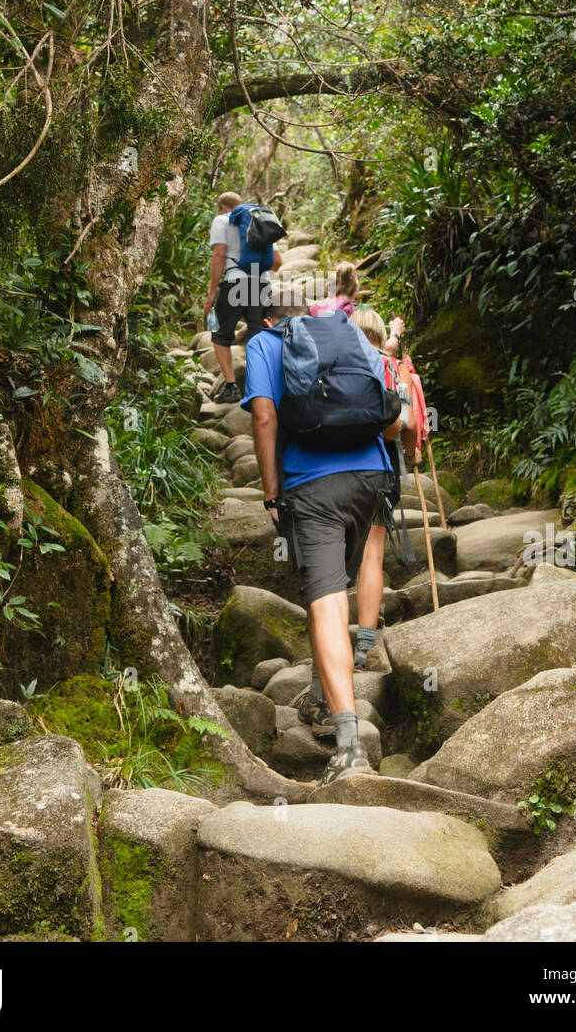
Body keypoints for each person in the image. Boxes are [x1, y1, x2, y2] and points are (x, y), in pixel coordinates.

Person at [243, 292, 402, 785]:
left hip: (312, 484)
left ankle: (350, 744)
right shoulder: (353, 335)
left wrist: (273, 495)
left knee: (326, 601)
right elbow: (393, 419)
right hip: (372, 477)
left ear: (270, 318)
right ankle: (320, 697)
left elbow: (265, 417)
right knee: (337, 591)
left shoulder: (266, 343)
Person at [350, 306, 418, 672]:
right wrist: (413, 449)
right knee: (372, 553)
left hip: (337, 471)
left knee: (345, 552)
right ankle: (364, 645)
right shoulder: (391, 368)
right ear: (380, 336)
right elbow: (404, 425)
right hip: (380, 469)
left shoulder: (335, 363)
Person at [204, 191, 282, 403]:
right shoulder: (260, 218)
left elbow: (219, 255)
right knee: (259, 335)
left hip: (235, 282)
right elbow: (277, 260)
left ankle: (231, 387)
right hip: (262, 282)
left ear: (222, 207)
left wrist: (212, 293)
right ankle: (263, 388)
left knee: (220, 335)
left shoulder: (221, 220)